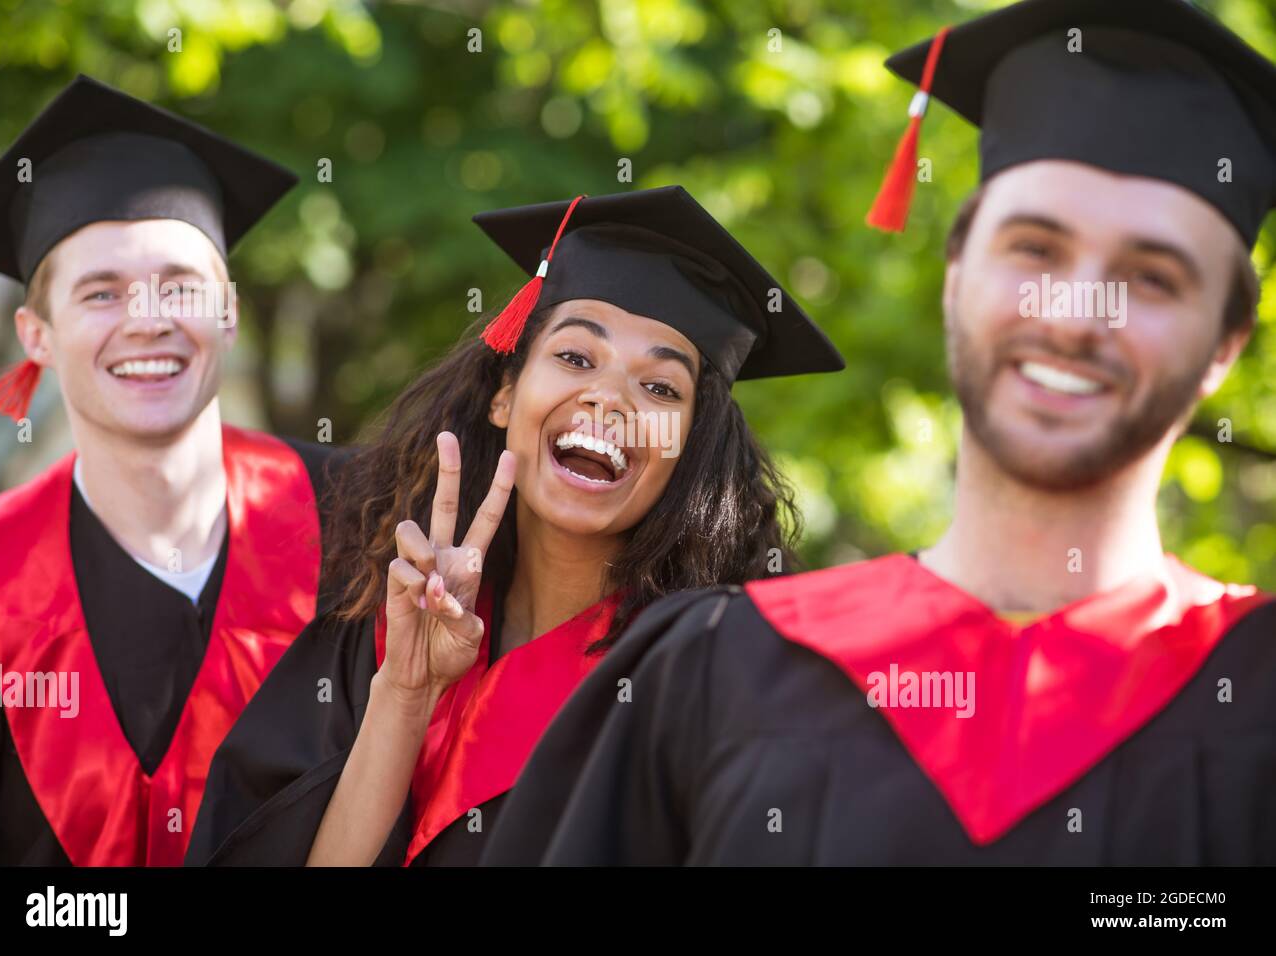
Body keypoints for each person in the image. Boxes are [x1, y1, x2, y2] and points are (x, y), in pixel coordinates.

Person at [482, 0, 1276, 866]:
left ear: (1225, 347)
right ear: (956, 275)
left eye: (1152, 278)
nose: (1076, 312)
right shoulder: (710, 674)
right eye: (1036, 250)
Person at [184, 185, 845, 866]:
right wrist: (405, 696)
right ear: (505, 394)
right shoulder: (380, 625)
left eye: (659, 388)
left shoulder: (704, 691)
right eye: (576, 358)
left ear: (687, 451)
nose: (608, 397)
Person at [0, 76, 338, 865]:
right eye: (101, 292)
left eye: (180, 285)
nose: (148, 319)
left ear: (230, 312)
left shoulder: (363, 522)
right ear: (36, 334)